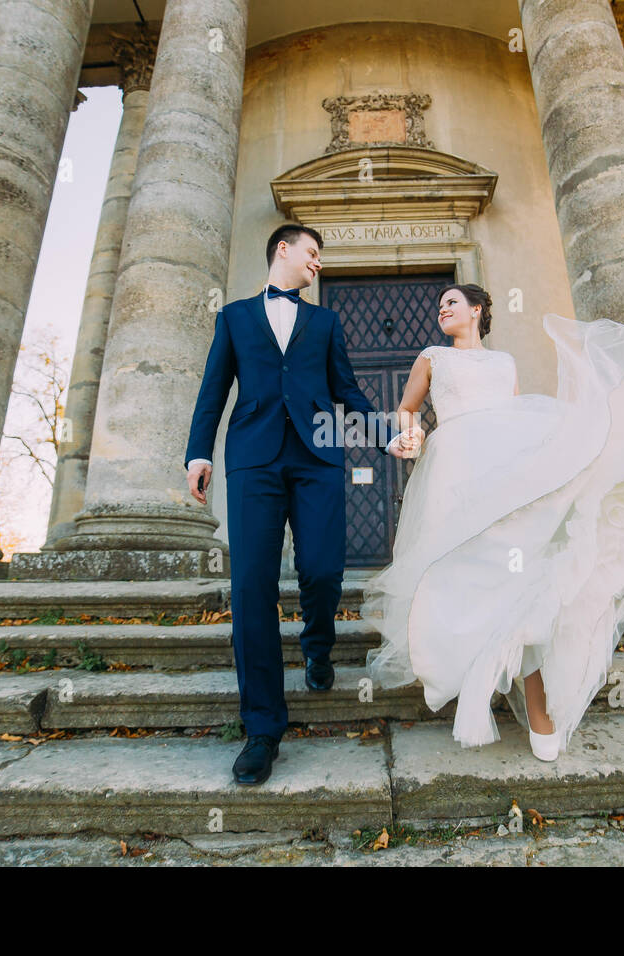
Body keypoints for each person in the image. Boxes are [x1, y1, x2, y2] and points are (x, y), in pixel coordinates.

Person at [362, 283, 624, 761]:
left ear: (478, 310)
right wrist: (411, 436)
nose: (443, 309)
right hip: (453, 467)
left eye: (452, 302)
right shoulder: (432, 358)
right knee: (467, 568)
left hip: (504, 465)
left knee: (522, 571)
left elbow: (513, 413)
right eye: (440, 304)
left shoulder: (504, 362)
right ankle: (477, 673)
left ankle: (537, 705)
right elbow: (407, 410)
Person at [184, 223, 422, 786]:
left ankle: (318, 645)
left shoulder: (326, 322)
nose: (318, 263)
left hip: (319, 455)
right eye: (312, 253)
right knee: (251, 587)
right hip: (253, 460)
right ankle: (262, 728)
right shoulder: (235, 317)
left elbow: (348, 390)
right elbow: (213, 389)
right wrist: (197, 454)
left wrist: (385, 433)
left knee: (320, 567)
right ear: (283, 250)